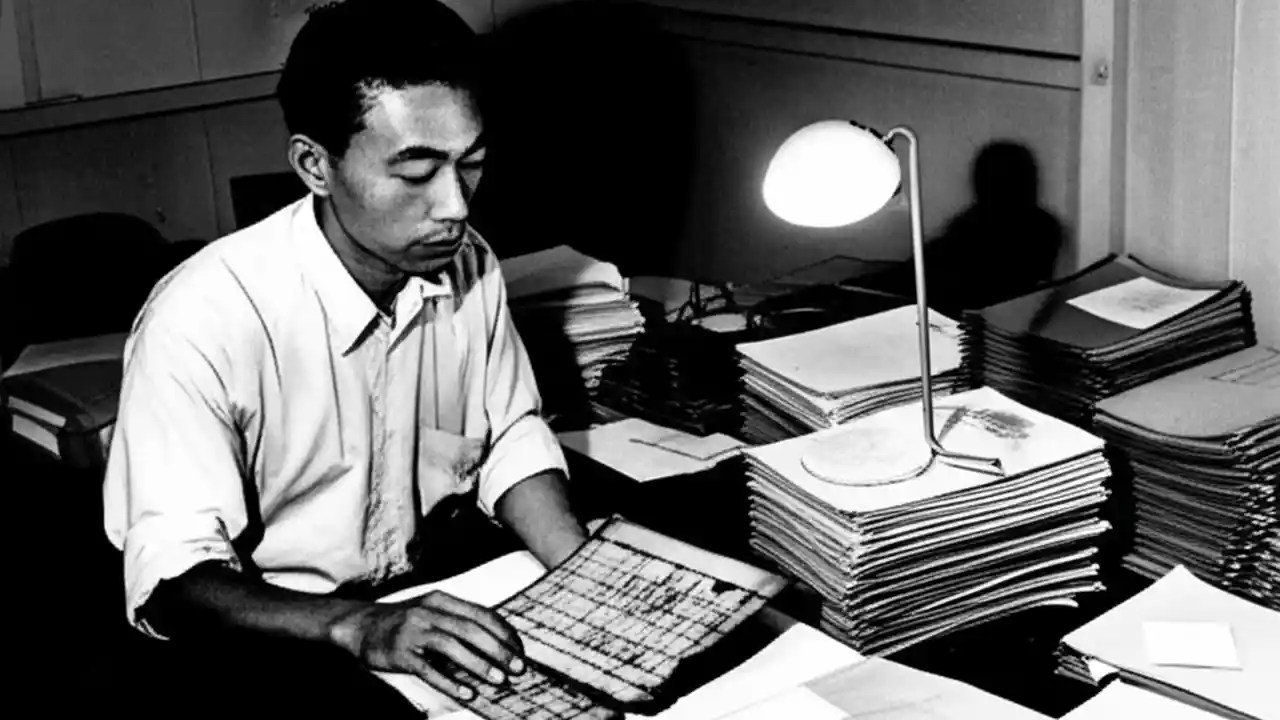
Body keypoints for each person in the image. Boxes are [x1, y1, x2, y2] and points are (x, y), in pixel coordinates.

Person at [101, 0, 587, 715]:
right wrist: (361, 628)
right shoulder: (205, 315)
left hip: (419, 593)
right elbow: (173, 580)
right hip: (278, 632)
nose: (455, 206)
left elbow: (508, 434)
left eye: (472, 163)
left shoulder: (466, 265)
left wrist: (582, 570)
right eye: (417, 171)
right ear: (313, 165)